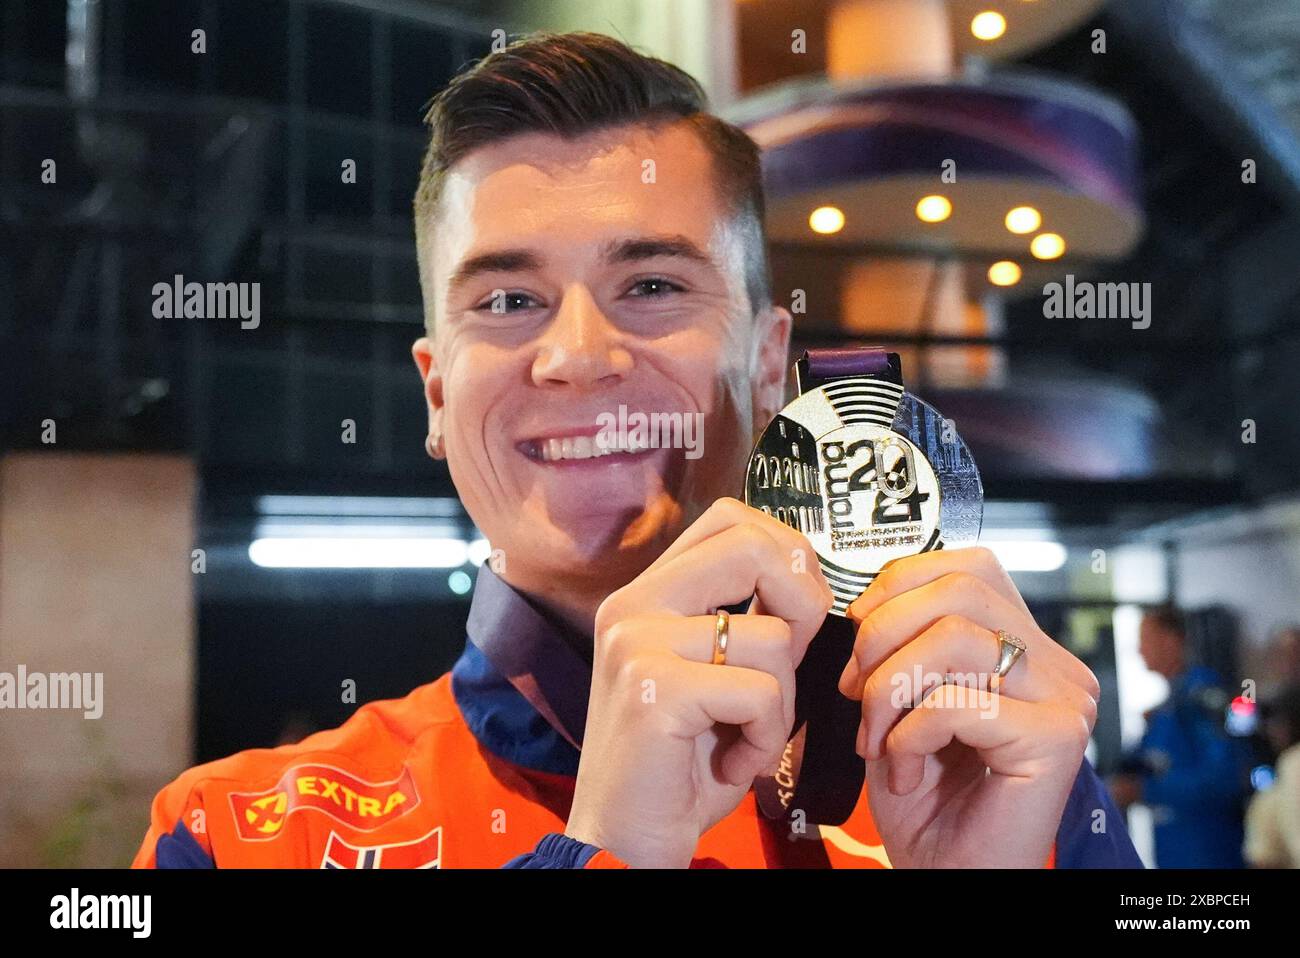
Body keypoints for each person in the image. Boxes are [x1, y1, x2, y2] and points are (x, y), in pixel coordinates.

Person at [132, 31, 1136, 869]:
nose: (575, 357)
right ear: (438, 393)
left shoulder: (997, 769)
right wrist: (606, 850)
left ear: (766, 363)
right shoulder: (239, 832)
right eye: (509, 301)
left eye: (652, 286)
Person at [1110, 605, 1253, 868]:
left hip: (1209, 854)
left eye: (1145, 640)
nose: (1140, 651)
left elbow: (1228, 777)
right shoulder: (1165, 709)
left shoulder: (1204, 698)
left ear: (1171, 640)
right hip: (1173, 854)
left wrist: (1146, 790)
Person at [1243, 684, 1300, 867]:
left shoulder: (1293, 764)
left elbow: (1264, 859)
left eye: (1278, 721)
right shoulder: (1271, 795)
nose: (1271, 730)